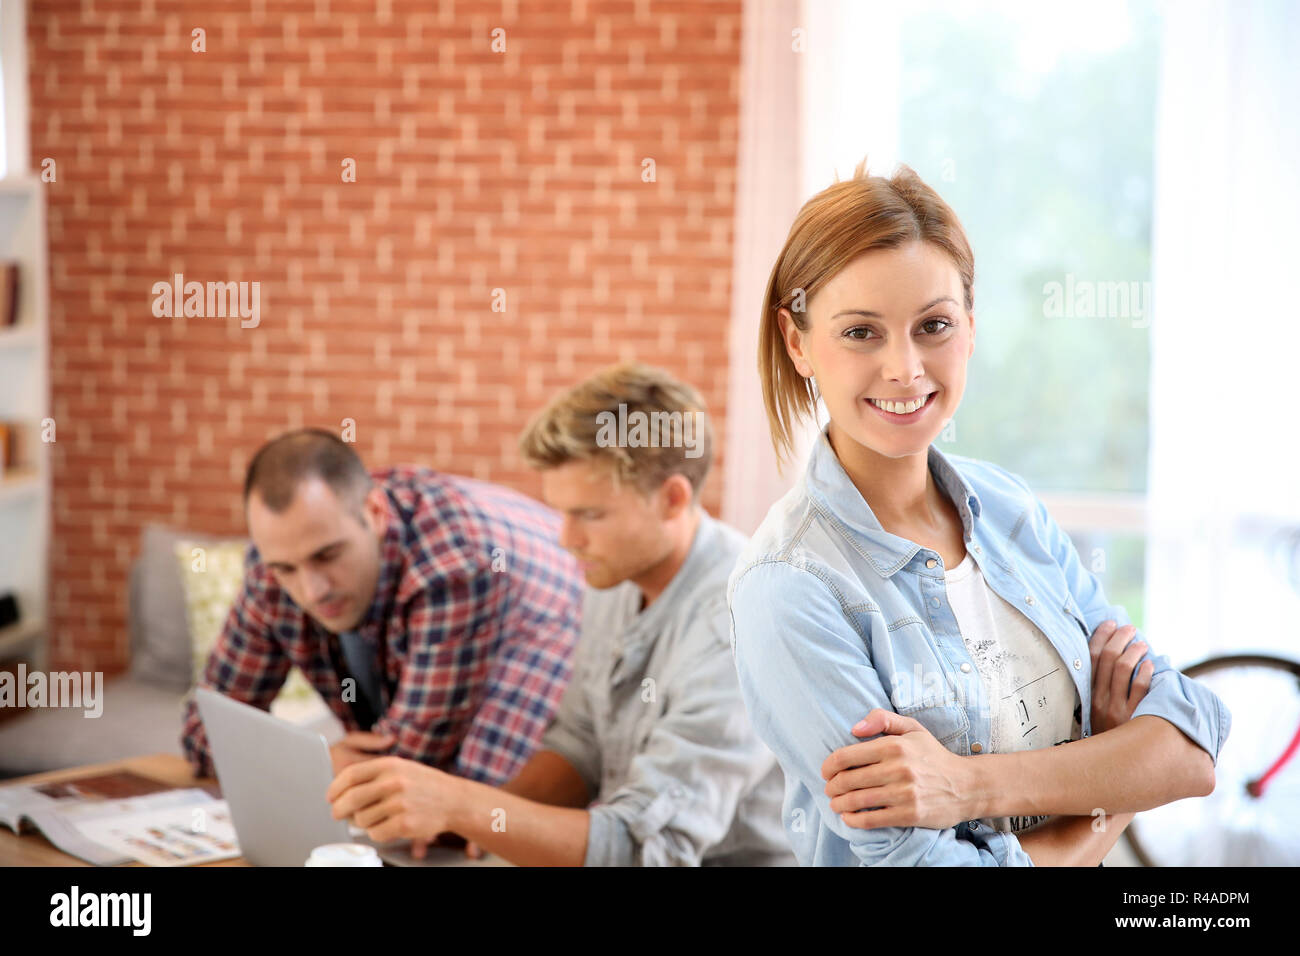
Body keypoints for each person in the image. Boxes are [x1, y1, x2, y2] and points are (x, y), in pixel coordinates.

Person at [727, 160, 1231, 866]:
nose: (905, 368)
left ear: (970, 327)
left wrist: (963, 786)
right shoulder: (788, 586)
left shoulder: (1009, 508)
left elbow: (1192, 745)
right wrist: (1107, 780)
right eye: (861, 333)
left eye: (932, 325)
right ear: (797, 341)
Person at [327, 364, 795, 865]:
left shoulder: (740, 624)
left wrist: (461, 806)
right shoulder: (617, 574)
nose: (566, 539)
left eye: (590, 515)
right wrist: (472, 824)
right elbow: (580, 743)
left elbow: (649, 850)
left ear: (672, 499)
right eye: (563, 511)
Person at [180, 428, 583, 791]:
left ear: (375, 513)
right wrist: (318, 761)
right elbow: (204, 731)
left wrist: (301, 764)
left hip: (559, 615)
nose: (312, 590)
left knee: (475, 809)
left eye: (328, 555)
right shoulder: (272, 569)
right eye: (286, 568)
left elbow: (411, 764)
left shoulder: (456, 562)